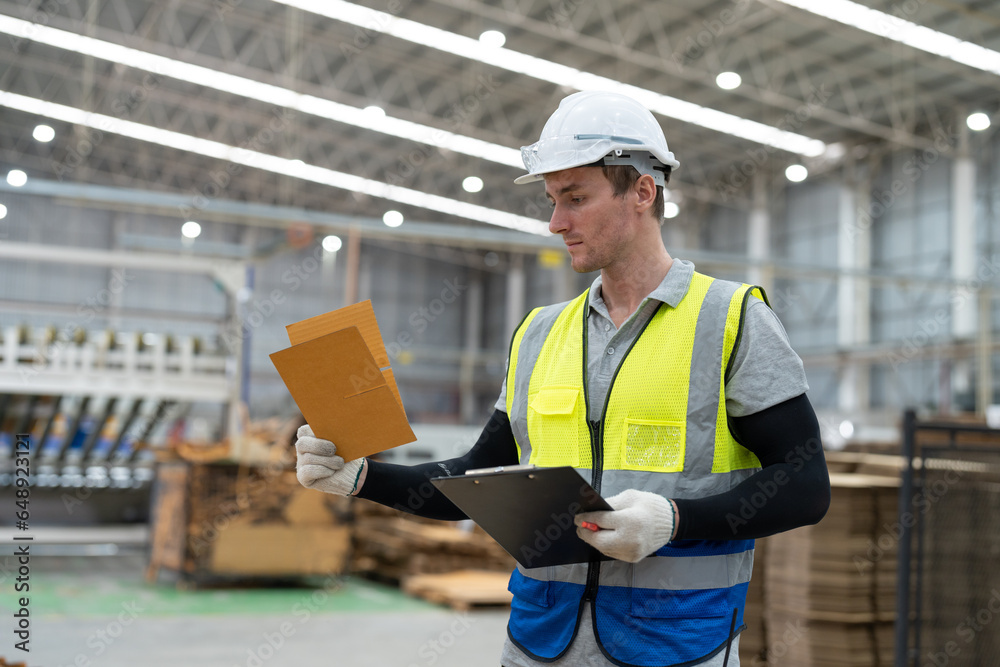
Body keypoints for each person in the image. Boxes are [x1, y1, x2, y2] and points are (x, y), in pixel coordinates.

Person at [295, 90, 831, 667]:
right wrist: (361, 478)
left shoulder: (729, 320)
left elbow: (803, 485)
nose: (555, 223)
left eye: (575, 198)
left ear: (642, 192)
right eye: (552, 200)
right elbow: (473, 481)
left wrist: (675, 520)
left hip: (675, 643)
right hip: (539, 641)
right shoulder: (539, 334)